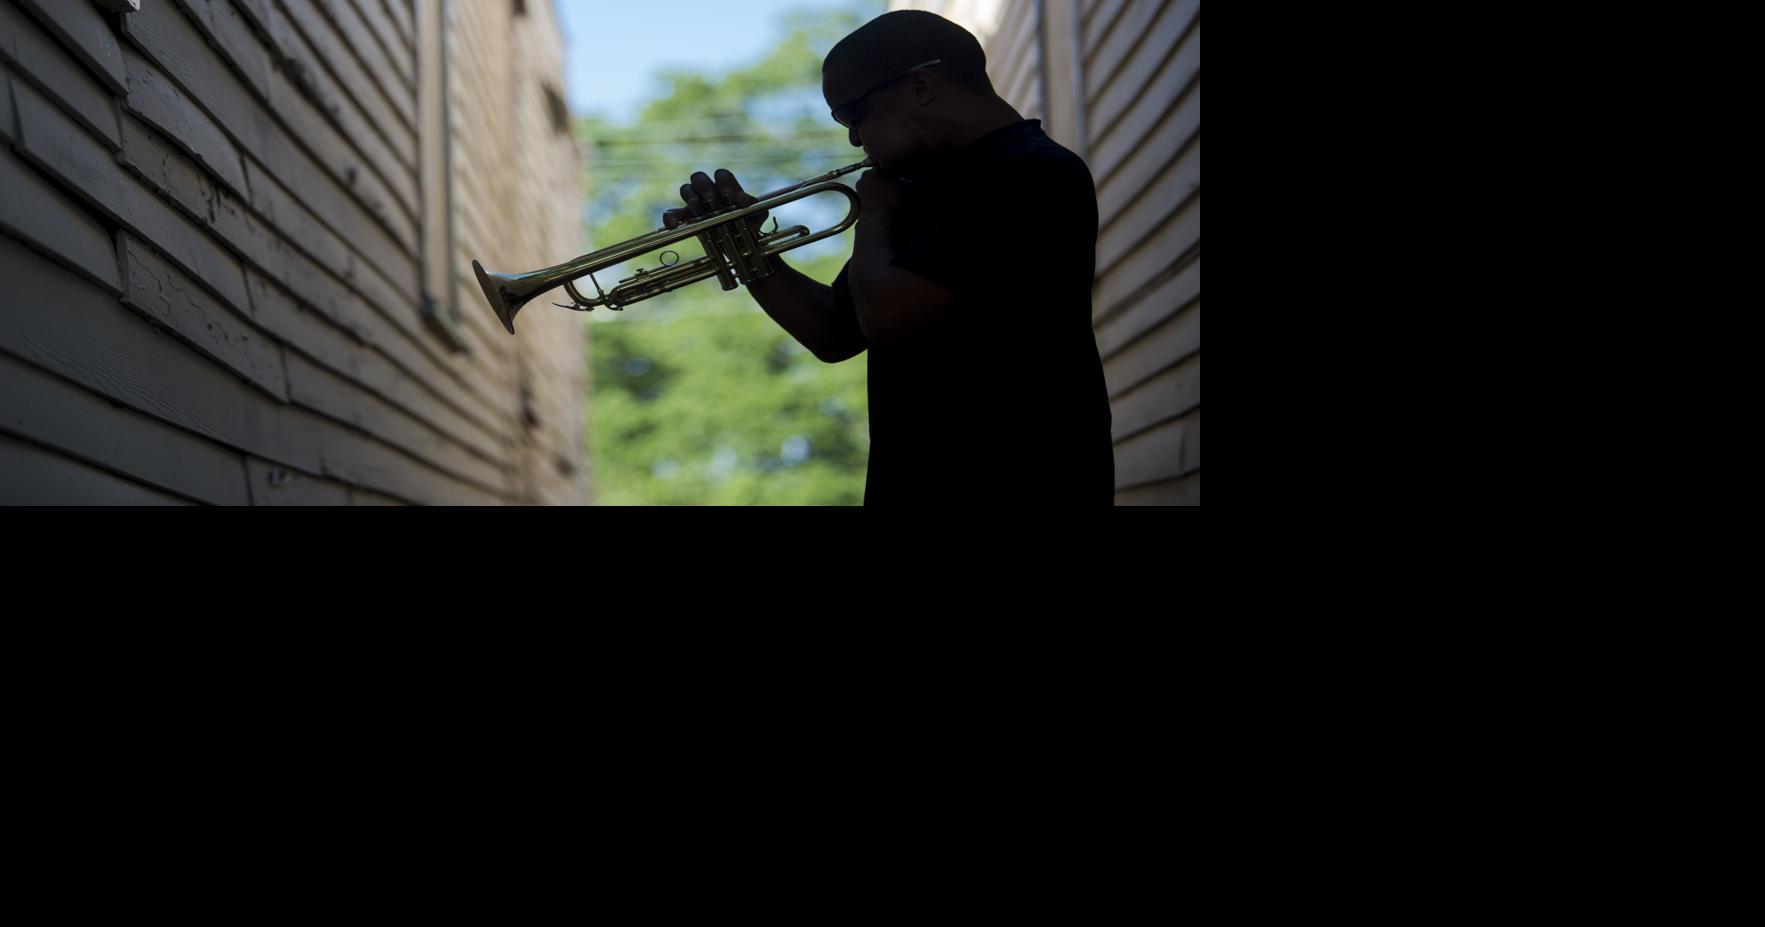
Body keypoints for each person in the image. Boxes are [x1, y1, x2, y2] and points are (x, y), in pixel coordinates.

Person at [664, 10, 1113, 505]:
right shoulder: (930, 188)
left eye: (852, 114)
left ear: (919, 85)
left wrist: (875, 217)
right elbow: (834, 331)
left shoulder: (1028, 173)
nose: (854, 139)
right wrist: (745, 247)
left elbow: (886, 315)